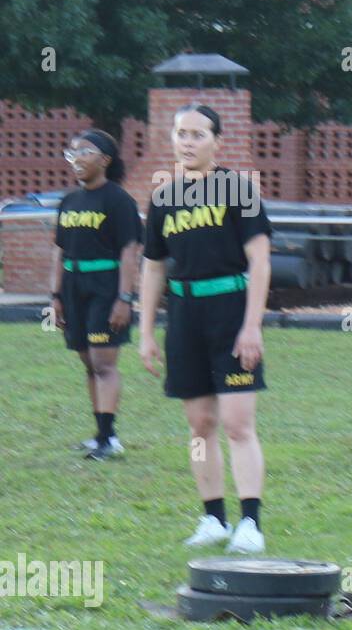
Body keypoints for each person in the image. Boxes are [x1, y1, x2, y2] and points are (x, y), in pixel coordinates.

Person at [138, 104, 273, 552]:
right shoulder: (163, 199)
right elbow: (154, 268)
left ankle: (250, 522)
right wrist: (145, 333)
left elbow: (260, 260)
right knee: (199, 426)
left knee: (237, 423)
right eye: (182, 134)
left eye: (198, 134)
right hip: (184, 316)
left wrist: (252, 326)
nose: (188, 142)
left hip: (231, 312)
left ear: (217, 141)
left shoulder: (239, 190)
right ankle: (213, 517)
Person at [51, 130, 143, 461]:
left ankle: (108, 439)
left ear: (104, 160)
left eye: (85, 152)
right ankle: (102, 433)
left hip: (105, 286)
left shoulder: (118, 200)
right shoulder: (69, 201)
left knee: (104, 363)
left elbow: (131, 251)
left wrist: (124, 298)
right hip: (74, 288)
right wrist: (55, 295)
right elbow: (60, 252)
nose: (76, 158)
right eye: (71, 152)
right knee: (88, 363)